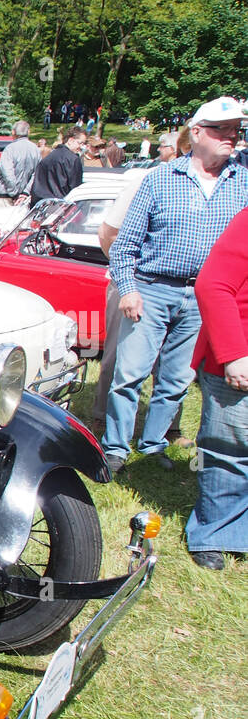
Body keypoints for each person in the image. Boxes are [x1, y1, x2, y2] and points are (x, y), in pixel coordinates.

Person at [102, 96, 248, 476]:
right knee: (129, 374)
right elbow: (124, 245)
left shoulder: (243, 183)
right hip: (152, 289)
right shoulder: (160, 179)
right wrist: (129, 288)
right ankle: (115, 447)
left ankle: (152, 446)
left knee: (176, 381)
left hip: (206, 298)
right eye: (222, 129)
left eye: (236, 130)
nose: (231, 137)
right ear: (196, 132)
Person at [186, 206, 248, 569]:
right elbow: (213, 284)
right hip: (239, 356)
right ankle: (214, 533)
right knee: (228, 451)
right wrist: (234, 353)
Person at [30, 126, 85, 202]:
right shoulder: (73, 159)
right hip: (62, 206)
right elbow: (76, 190)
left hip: (41, 205)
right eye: (80, 143)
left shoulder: (48, 157)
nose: (82, 147)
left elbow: (36, 186)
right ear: (70, 140)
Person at [0, 120, 39, 206]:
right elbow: (36, 174)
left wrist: (14, 193)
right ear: (28, 132)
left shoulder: (9, 149)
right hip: (23, 199)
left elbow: (8, 172)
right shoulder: (35, 149)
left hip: (4, 197)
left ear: (13, 132)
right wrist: (25, 193)